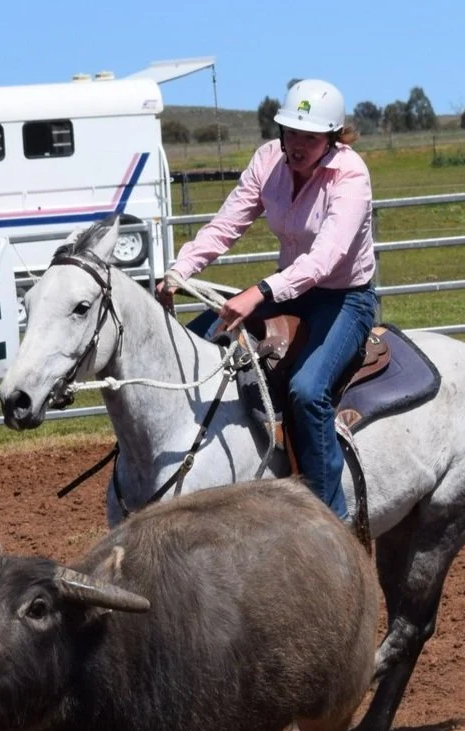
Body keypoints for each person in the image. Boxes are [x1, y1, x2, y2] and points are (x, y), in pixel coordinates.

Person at [157, 78, 378, 524]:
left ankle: (330, 519)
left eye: (309, 137)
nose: (296, 145)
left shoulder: (350, 176)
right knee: (201, 337)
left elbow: (325, 257)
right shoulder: (268, 162)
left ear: (331, 139)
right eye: (291, 133)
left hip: (344, 300)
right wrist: (180, 269)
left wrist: (257, 293)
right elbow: (227, 224)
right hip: (288, 290)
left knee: (307, 389)